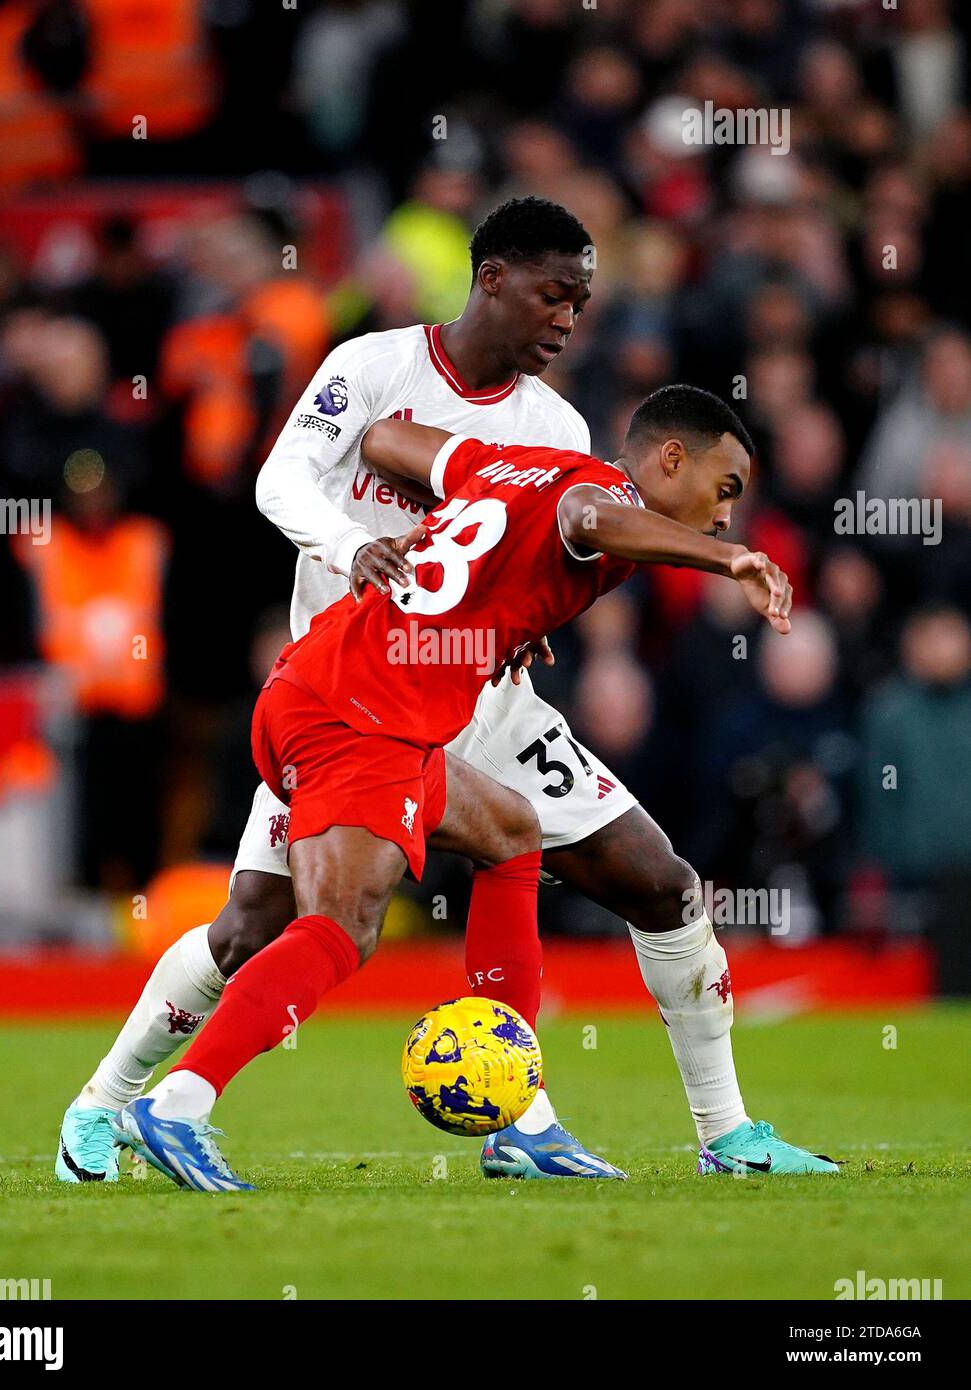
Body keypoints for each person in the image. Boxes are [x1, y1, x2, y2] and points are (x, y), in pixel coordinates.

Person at [109, 390, 839, 1190]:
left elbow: (387, 439)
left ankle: (518, 1121)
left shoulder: (510, 462)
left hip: (332, 683)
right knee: (339, 931)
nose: (725, 517)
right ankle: (176, 1105)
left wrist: (493, 600)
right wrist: (723, 563)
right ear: (671, 459)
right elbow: (589, 521)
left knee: (509, 830)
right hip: (363, 712)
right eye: (723, 488)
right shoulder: (596, 497)